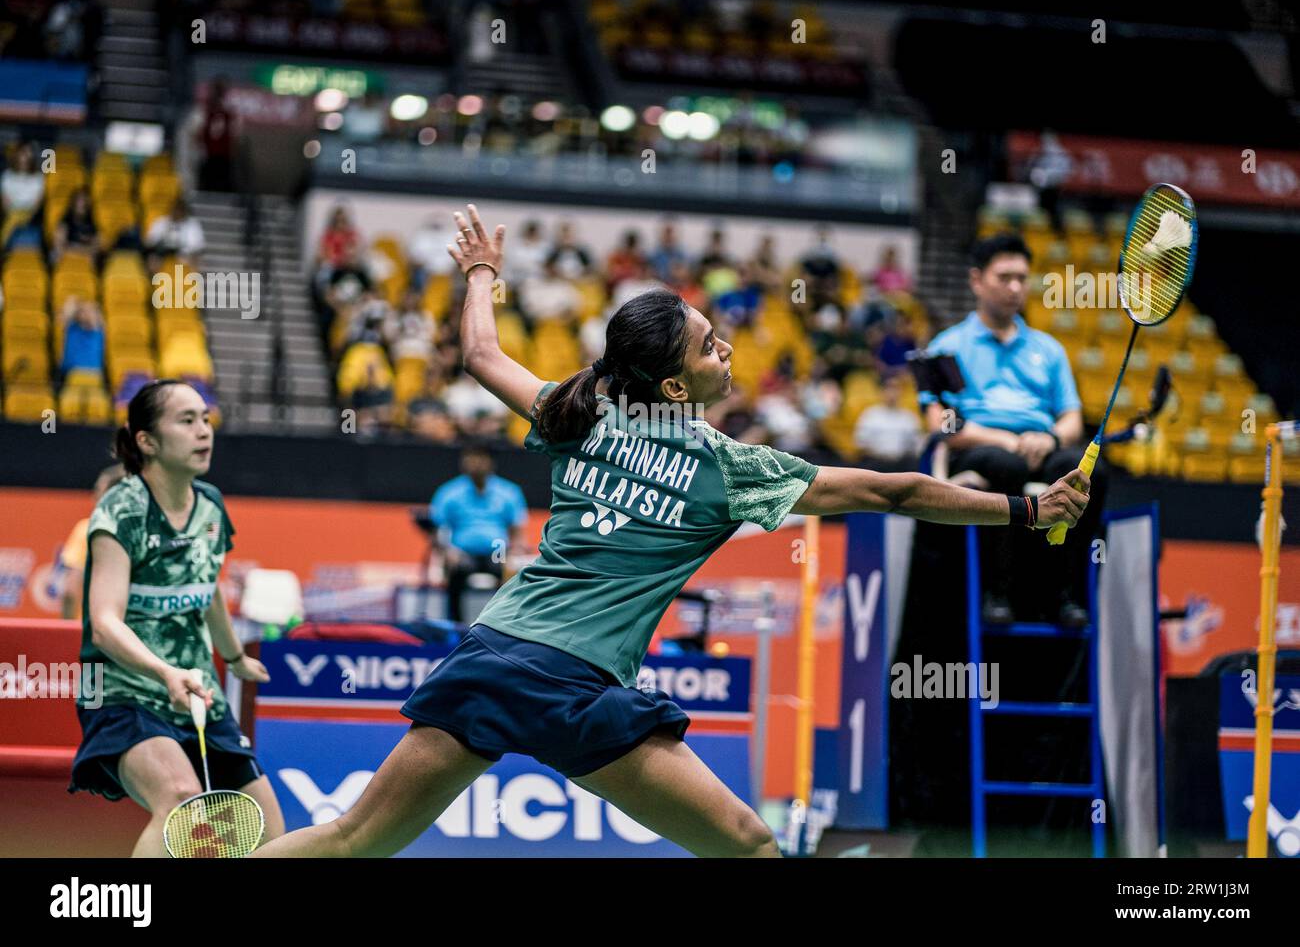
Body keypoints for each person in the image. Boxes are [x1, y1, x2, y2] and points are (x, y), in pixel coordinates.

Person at [251, 204, 1089, 859]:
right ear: (677, 384)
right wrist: (1024, 509)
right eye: (708, 346)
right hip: (576, 687)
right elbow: (894, 488)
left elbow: (479, 355)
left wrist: (479, 273)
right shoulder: (727, 469)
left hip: (493, 655)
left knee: (353, 840)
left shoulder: (585, 413)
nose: (726, 348)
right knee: (752, 845)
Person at [69, 379, 285, 856]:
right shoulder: (122, 510)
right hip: (117, 689)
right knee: (181, 799)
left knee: (269, 825)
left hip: (195, 689)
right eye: (186, 421)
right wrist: (164, 672)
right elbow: (104, 624)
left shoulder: (210, 505)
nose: (203, 431)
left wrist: (233, 657)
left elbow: (206, 592)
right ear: (146, 440)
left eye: (205, 419)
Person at [919, 233, 1105, 627]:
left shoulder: (1048, 349)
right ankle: (997, 594)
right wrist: (1003, 439)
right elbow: (941, 423)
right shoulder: (945, 346)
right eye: (1004, 277)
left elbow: (1071, 418)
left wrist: (1050, 438)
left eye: (1022, 278)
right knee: (1004, 465)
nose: (1016, 287)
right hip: (981, 447)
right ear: (976, 281)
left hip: (1042, 447)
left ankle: (1068, 597)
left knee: (1084, 471)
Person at [429, 443, 528, 623]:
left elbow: (516, 531)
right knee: (456, 571)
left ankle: (502, 623)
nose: (475, 462)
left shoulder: (509, 492)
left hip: (497, 550)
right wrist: (447, 550)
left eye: (480, 458)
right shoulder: (449, 492)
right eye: (470, 457)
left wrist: (515, 552)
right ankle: (456, 625)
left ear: (491, 462)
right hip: (462, 552)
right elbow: (439, 530)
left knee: (507, 569)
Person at [57, 464, 127, 620]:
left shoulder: (88, 529)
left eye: (98, 491)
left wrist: (66, 630)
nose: (93, 497)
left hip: (92, 632)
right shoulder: (145, 533)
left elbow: (70, 590)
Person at [854, 373, 923, 466]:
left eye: (895, 389)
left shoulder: (909, 417)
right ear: (881, 391)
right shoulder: (870, 415)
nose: (892, 393)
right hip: (876, 463)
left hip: (901, 464)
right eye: (888, 388)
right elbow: (860, 444)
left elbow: (916, 446)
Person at [60, 296, 106, 378]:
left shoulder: (96, 327)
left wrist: (87, 308)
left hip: (91, 373)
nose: (85, 313)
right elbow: (66, 313)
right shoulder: (72, 327)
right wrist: (75, 303)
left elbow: (92, 319)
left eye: (89, 311)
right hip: (69, 373)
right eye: (82, 311)